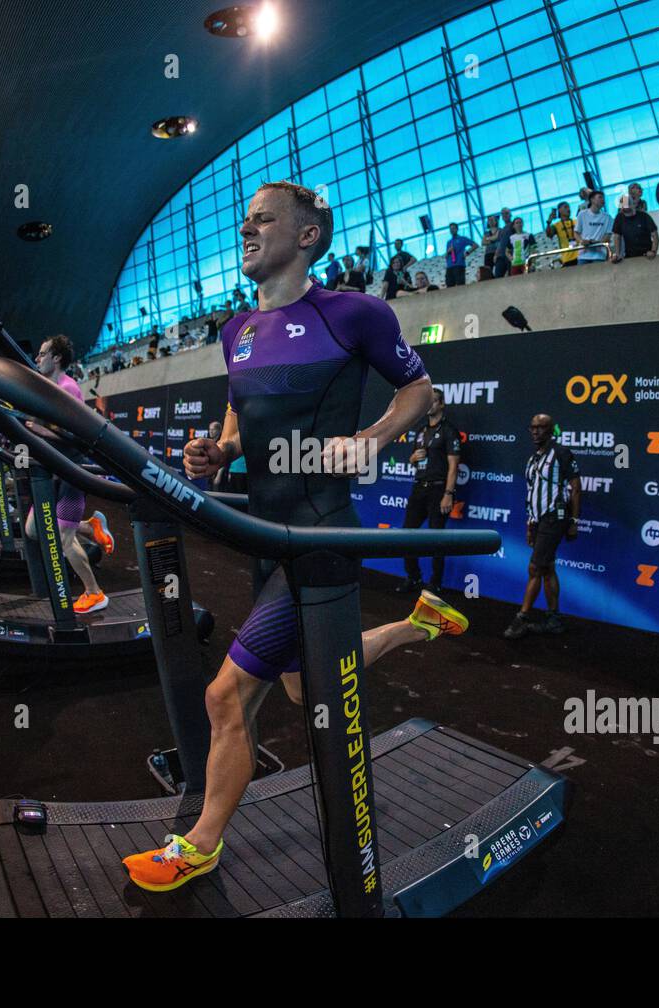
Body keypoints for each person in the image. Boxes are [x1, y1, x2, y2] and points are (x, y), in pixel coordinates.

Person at [121, 180, 470, 892]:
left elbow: (420, 389)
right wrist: (221, 450)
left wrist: (372, 439)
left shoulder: (353, 314)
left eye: (263, 220)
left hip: (318, 537)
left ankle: (200, 845)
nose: (246, 230)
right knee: (292, 686)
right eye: (244, 221)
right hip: (264, 538)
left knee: (226, 698)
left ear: (307, 237)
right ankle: (415, 625)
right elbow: (238, 406)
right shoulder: (235, 330)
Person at [29, 334, 116, 614]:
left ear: (57, 358)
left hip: (71, 471)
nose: (37, 359)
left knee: (64, 539)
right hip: (52, 471)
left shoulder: (68, 389)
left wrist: (35, 429)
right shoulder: (48, 387)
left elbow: (74, 435)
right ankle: (90, 527)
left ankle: (95, 593)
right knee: (33, 529)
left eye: (43, 354)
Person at [504, 413, 580, 639]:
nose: (536, 431)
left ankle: (522, 617)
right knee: (547, 568)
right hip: (537, 520)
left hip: (554, 518)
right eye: (533, 427)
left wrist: (574, 521)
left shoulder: (561, 453)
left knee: (535, 568)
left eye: (542, 427)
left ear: (551, 429)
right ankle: (554, 618)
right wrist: (530, 523)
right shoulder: (533, 459)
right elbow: (531, 493)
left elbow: (576, 488)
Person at [396, 387, 461, 595]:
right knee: (407, 535)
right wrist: (412, 459)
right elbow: (415, 460)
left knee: (436, 540)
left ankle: (435, 584)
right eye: (427, 402)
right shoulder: (422, 431)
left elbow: (454, 466)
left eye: (433, 401)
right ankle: (413, 578)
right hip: (419, 487)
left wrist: (448, 494)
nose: (428, 405)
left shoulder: (449, 431)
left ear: (441, 404)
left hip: (438, 490)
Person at [610, 193, 659, 261]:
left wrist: (653, 251)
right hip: (630, 255)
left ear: (633, 204)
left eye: (627, 204)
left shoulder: (644, 216)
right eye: (623, 205)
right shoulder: (619, 217)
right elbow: (617, 236)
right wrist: (617, 254)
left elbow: (655, 235)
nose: (625, 207)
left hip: (646, 253)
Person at [574, 191, 612, 263]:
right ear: (592, 200)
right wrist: (582, 241)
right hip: (583, 255)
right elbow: (576, 233)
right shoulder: (582, 214)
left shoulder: (608, 217)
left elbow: (608, 235)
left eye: (603, 198)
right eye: (600, 197)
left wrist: (598, 242)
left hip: (599, 256)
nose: (603, 200)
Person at [444, 223, 477, 287]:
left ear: (457, 229)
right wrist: (448, 251)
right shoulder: (448, 242)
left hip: (459, 265)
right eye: (450, 229)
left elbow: (475, 245)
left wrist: (467, 253)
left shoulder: (462, 239)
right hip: (449, 267)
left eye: (453, 228)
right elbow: (446, 256)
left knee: (460, 285)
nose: (452, 230)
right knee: (449, 287)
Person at [545, 202, 578, 267]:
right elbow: (549, 234)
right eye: (565, 207)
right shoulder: (556, 225)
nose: (568, 209)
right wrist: (549, 222)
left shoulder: (576, 221)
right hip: (567, 258)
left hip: (580, 255)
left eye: (569, 207)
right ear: (559, 210)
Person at [491, 207, 515, 278]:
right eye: (503, 214)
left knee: (512, 275)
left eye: (506, 213)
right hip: (501, 256)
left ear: (510, 214)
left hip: (510, 254)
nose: (505, 215)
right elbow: (500, 243)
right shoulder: (501, 230)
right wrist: (495, 254)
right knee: (498, 276)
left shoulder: (514, 225)